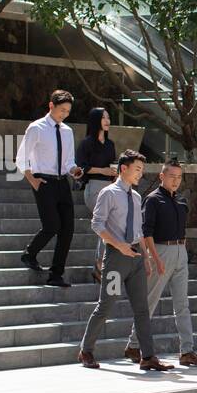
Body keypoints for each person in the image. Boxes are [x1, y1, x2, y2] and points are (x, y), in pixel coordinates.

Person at [77, 150, 174, 371]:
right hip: (115, 259)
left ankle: (148, 357)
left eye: (142, 170)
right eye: (137, 169)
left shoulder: (137, 196)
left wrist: (146, 258)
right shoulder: (108, 193)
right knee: (106, 305)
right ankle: (86, 350)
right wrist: (119, 245)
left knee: (142, 308)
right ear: (124, 169)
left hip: (136, 260)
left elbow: (138, 230)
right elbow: (97, 224)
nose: (140, 174)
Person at [124, 157, 197, 367]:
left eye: (179, 177)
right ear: (162, 176)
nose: (176, 180)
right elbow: (146, 232)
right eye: (172, 176)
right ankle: (134, 345)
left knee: (183, 305)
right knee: (150, 303)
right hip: (160, 251)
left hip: (180, 251)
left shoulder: (181, 200)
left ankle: (187, 351)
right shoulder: (152, 199)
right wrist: (153, 258)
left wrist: (183, 250)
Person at [18, 90, 82, 287]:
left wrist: (74, 170)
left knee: (68, 229)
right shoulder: (36, 128)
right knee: (52, 225)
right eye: (62, 110)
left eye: (68, 111)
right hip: (43, 181)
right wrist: (32, 180)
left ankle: (56, 274)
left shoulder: (67, 131)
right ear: (51, 106)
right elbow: (22, 157)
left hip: (62, 182)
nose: (64, 114)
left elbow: (69, 160)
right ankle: (30, 253)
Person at [76, 106, 117, 283]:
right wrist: (103, 170)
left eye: (108, 117)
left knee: (108, 225)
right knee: (106, 224)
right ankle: (100, 265)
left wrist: (114, 173)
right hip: (93, 188)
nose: (107, 121)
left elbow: (113, 165)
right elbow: (81, 167)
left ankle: (99, 265)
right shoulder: (86, 143)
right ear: (96, 121)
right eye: (104, 118)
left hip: (109, 188)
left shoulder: (110, 144)